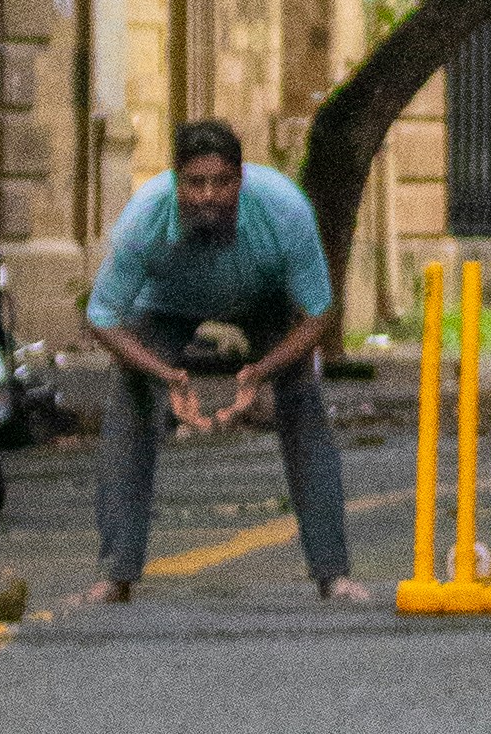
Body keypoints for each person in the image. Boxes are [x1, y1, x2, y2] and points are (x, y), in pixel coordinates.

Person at [85, 123, 360, 603]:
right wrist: (164, 373)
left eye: (222, 182)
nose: (209, 195)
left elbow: (318, 316)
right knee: (130, 396)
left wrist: (263, 370)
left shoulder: (283, 209)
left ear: (241, 180)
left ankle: (333, 574)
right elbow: (102, 317)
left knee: (301, 398)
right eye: (195, 183)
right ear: (176, 182)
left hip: (264, 297)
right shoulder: (143, 219)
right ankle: (117, 575)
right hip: (168, 304)